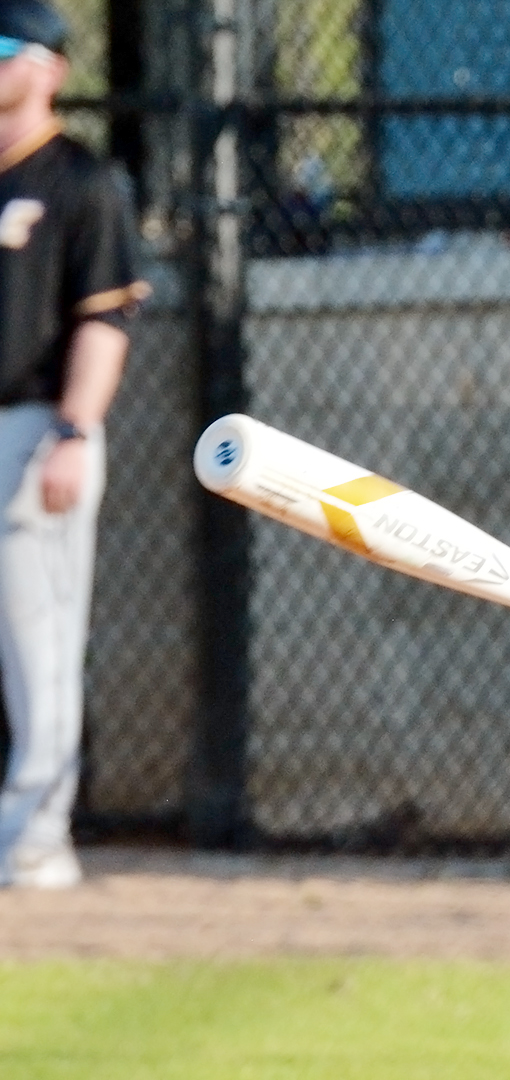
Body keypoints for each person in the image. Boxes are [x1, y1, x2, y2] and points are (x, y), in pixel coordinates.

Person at [0, 0, 148, 889]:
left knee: (38, 637)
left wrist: (72, 430)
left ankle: (37, 835)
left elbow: (106, 323)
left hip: (34, 428)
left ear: (49, 67)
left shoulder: (80, 180)